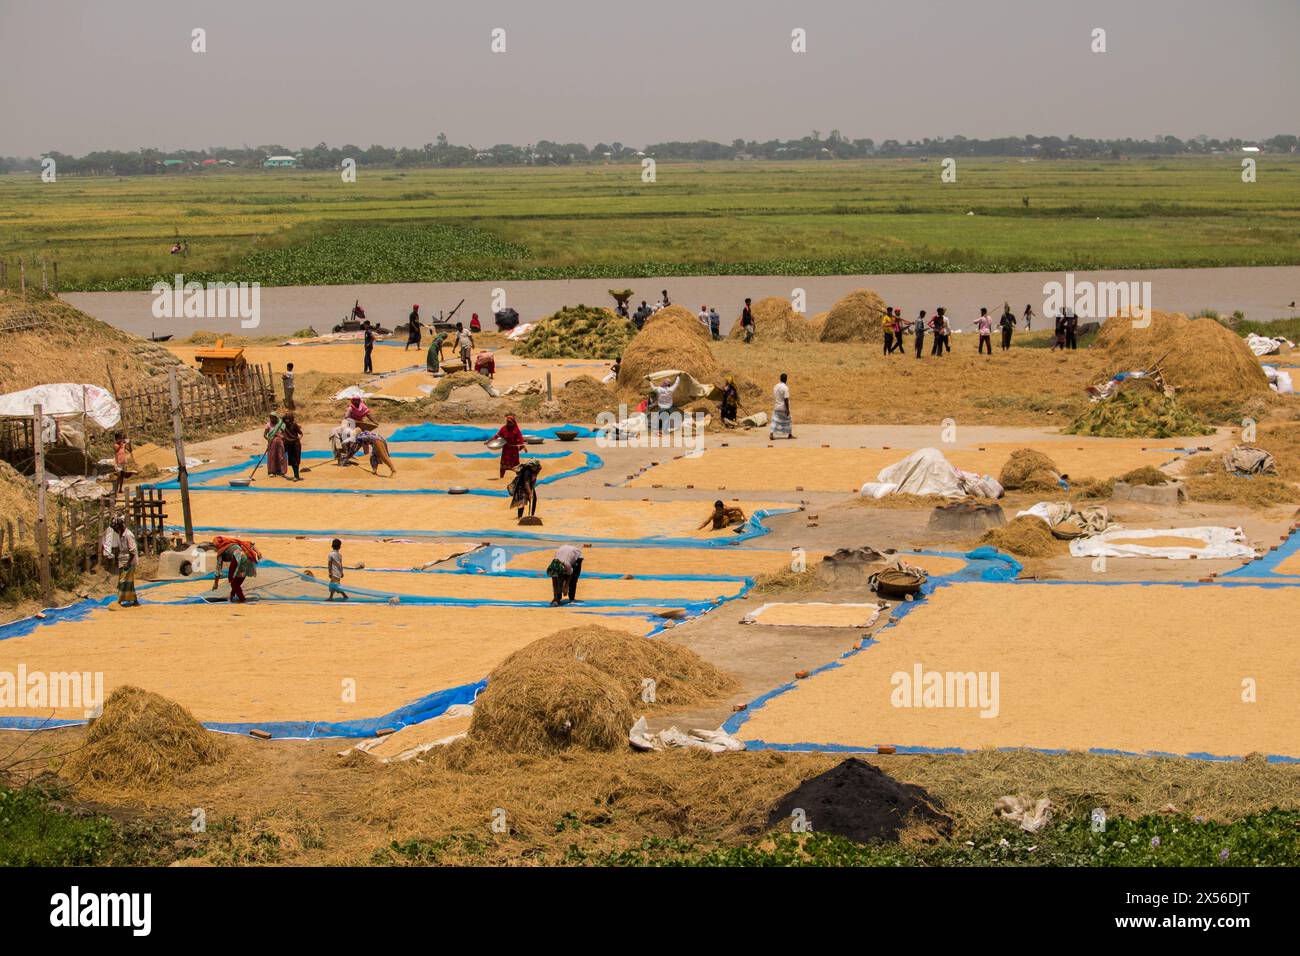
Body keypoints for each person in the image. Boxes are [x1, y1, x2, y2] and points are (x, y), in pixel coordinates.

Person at [103, 516, 139, 607]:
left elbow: (133, 552)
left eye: (115, 528)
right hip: (122, 560)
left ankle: (119, 601)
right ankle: (135, 600)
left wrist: (128, 563)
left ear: (120, 526)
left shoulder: (128, 535)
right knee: (128, 581)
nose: (115, 529)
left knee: (123, 581)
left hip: (129, 561)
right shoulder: (120, 533)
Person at [212, 536, 259, 603]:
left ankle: (242, 599)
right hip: (249, 558)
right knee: (236, 582)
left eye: (215, 546)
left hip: (239, 559)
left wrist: (215, 583)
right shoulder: (233, 543)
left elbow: (218, 569)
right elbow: (250, 544)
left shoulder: (220, 551)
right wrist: (258, 552)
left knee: (234, 583)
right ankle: (232, 596)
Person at [493, 413, 526, 478]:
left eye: (510, 422)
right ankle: (501, 477)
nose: (509, 424)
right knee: (503, 464)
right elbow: (496, 436)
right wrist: (489, 441)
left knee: (516, 464)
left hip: (514, 450)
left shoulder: (516, 429)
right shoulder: (504, 428)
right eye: (508, 422)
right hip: (506, 449)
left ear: (513, 422)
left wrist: (523, 446)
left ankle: (519, 477)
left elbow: (520, 438)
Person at [281, 412, 303, 481]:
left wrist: (299, 439)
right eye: (285, 419)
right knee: (292, 460)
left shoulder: (294, 425)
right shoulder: (284, 426)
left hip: (295, 444)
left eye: (288, 419)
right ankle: (296, 476)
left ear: (291, 419)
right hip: (289, 445)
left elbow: (301, 433)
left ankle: (296, 476)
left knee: (296, 460)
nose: (287, 420)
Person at [770, 373, 793, 440]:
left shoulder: (775, 386)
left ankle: (771, 433)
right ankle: (789, 434)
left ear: (780, 379)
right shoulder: (785, 388)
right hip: (783, 407)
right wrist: (787, 409)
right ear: (786, 379)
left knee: (775, 420)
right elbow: (786, 399)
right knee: (788, 420)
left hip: (777, 406)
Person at [111, 431, 134, 497]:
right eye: (119, 438)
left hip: (124, 462)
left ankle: (120, 489)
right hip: (118, 463)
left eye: (121, 438)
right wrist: (122, 443)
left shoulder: (123, 444)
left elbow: (130, 450)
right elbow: (117, 450)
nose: (121, 439)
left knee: (122, 476)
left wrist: (129, 444)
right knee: (119, 475)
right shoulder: (115, 445)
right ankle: (115, 489)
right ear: (116, 439)